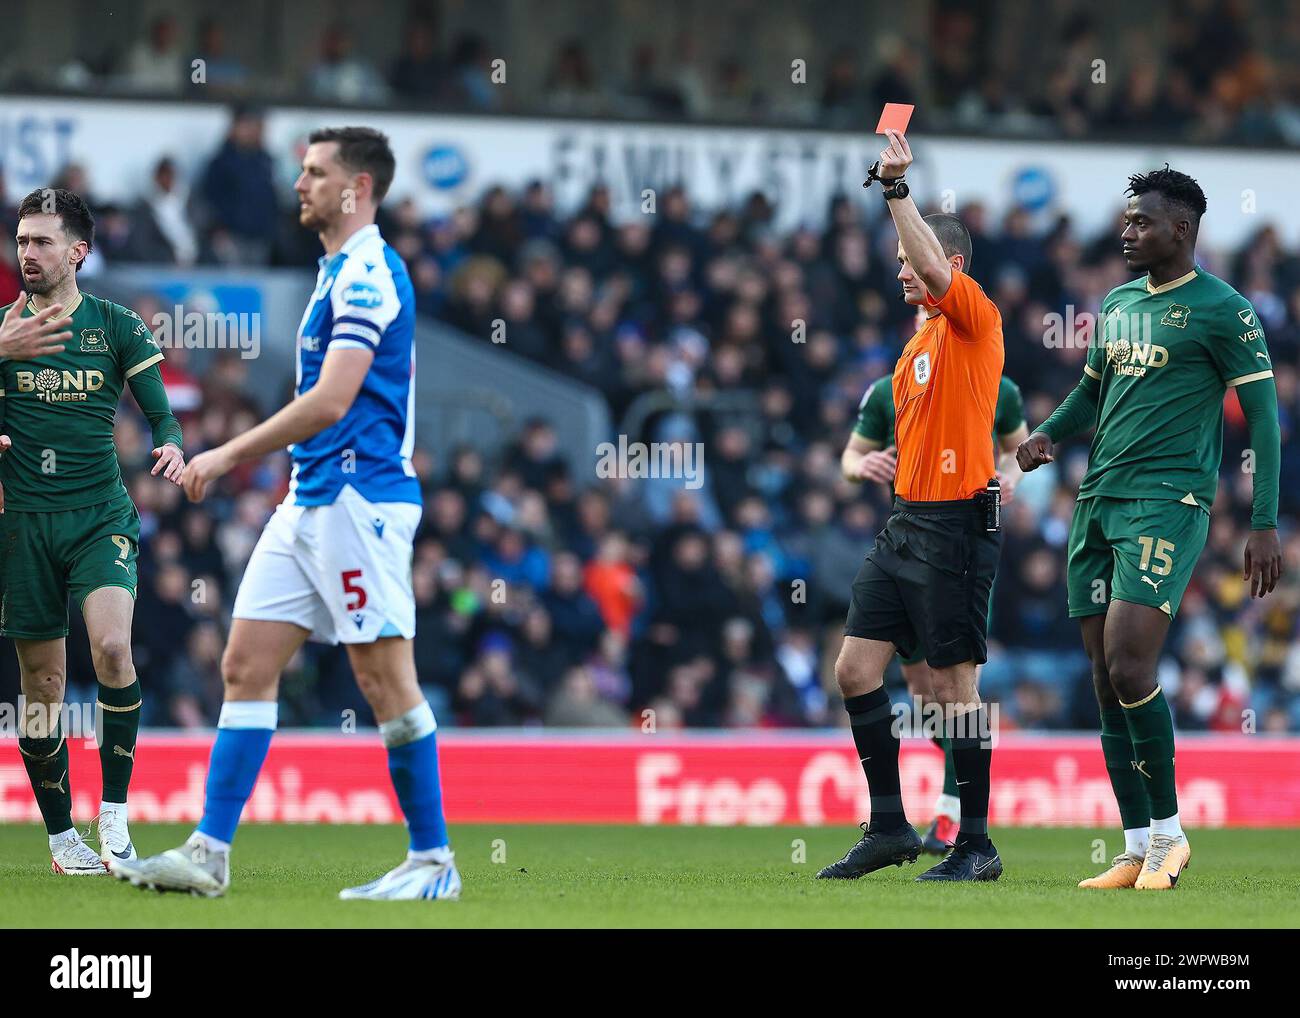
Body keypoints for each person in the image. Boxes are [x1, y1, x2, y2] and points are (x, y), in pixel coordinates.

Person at [112, 128, 460, 901]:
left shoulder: (368, 274)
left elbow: (333, 400)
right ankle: (210, 852)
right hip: (309, 499)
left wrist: (224, 455)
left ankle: (434, 862)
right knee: (244, 665)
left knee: (382, 679)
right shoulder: (334, 270)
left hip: (359, 498)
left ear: (359, 187)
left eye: (315, 172)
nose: (299, 184)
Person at [1017, 166, 1281, 890]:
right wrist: (1048, 435)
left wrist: (1263, 521)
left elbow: (1263, 418)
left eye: (1141, 223)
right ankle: (1136, 846)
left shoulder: (1225, 311)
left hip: (1168, 504)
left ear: (1182, 232)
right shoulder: (1121, 301)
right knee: (1105, 679)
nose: (1126, 232)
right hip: (1099, 500)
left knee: (1133, 664)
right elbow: (1092, 391)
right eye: (1126, 220)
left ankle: (1170, 837)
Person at [817, 129, 1006, 883]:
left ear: (949, 267)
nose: (900, 272)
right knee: (855, 669)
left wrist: (896, 190)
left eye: (908, 262)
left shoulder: (973, 319)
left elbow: (926, 258)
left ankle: (977, 845)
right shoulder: (917, 344)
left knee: (955, 691)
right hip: (905, 522)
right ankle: (890, 826)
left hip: (956, 526)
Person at [0, 189, 185, 875]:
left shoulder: (115, 326)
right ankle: (60, 839)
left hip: (97, 517)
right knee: (43, 689)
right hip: (21, 525)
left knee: (111, 647)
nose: (28, 252)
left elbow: (162, 415)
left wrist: (171, 443)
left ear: (79, 251)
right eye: (22, 240)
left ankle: (114, 816)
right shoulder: (1, 330)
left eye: (42, 241)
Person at [844, 362, 1026, 854]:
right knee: (926, 699)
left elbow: (1017, 450)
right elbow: (849, 457)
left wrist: (1008, 477)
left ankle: (954, 816)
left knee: (957, 685)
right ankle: (963, 773)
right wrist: (862, 465)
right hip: (905, 541)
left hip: (961, 547)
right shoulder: (890, 389)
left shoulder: (995, 386)